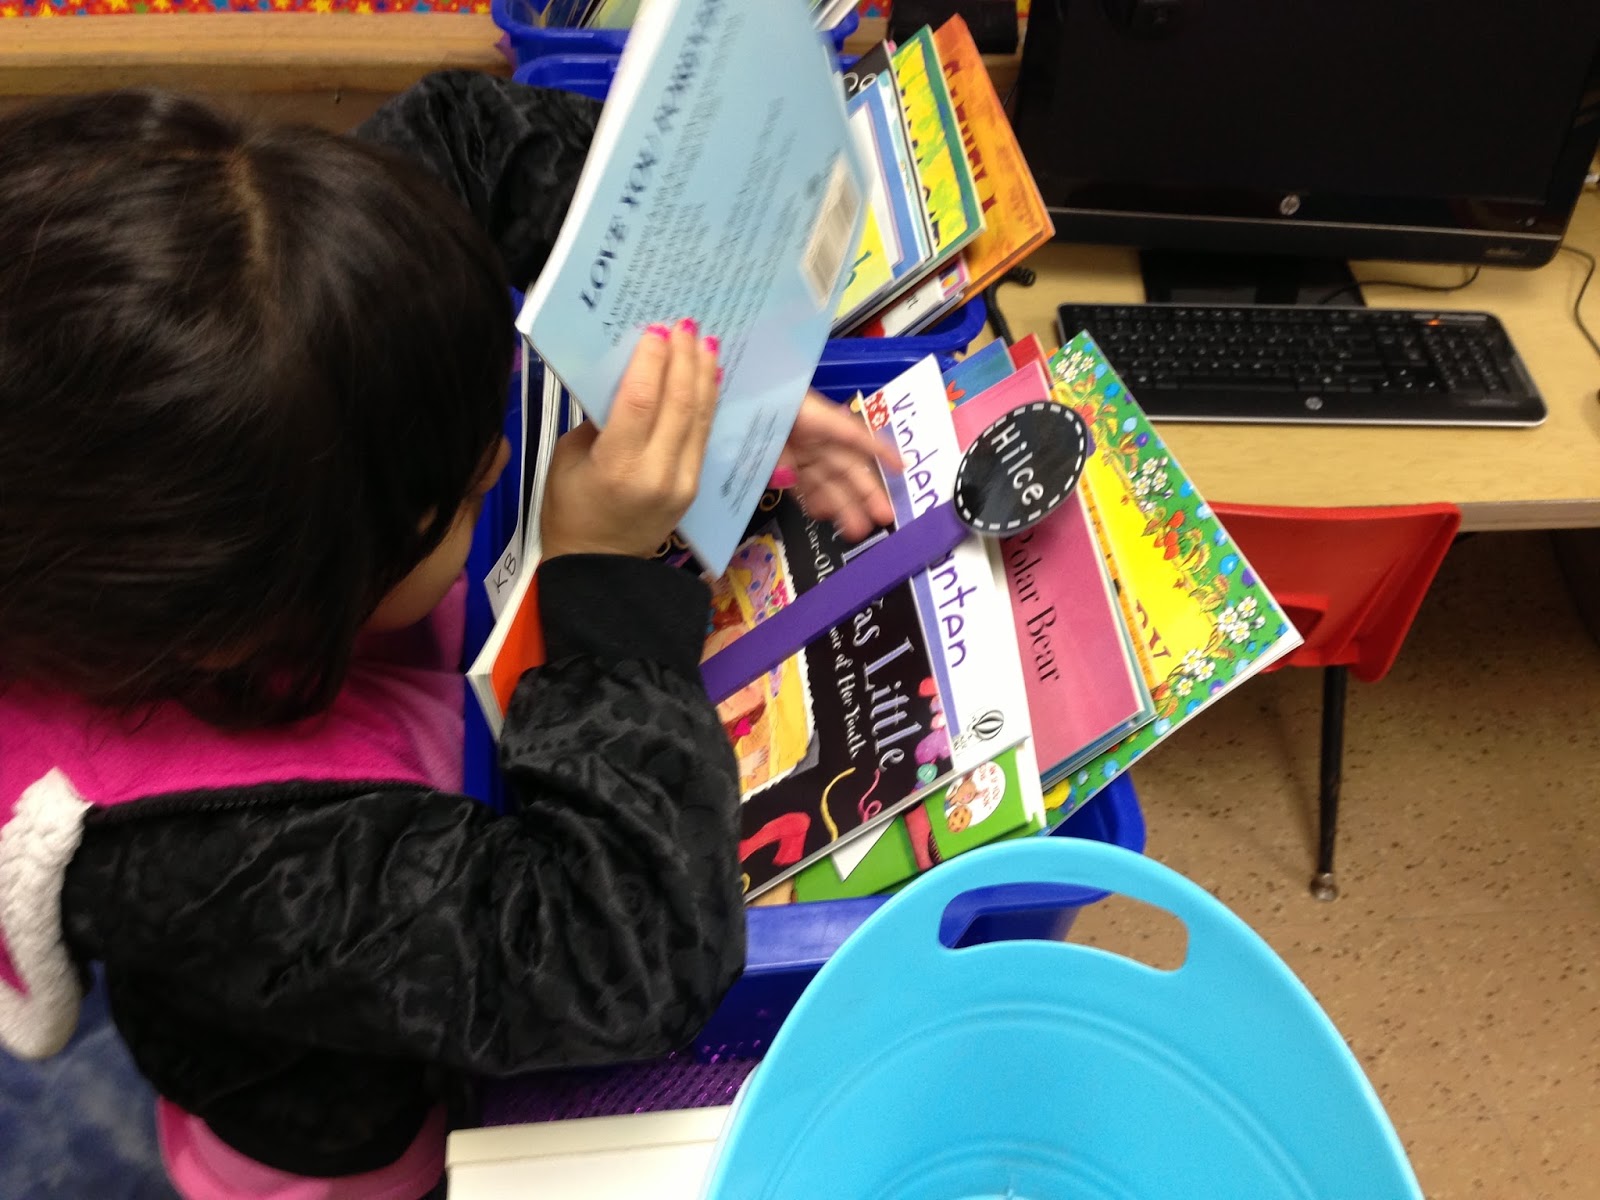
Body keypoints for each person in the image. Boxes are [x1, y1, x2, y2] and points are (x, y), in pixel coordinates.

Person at [0, 85, 897, 1200]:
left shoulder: (274, 289)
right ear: (265, 615)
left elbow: (468, 139)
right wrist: (599, 578)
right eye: (466, 497)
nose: (500, 463)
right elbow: (623, 961)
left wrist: (695, 340)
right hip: (355, 1133)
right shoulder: (199, 855)